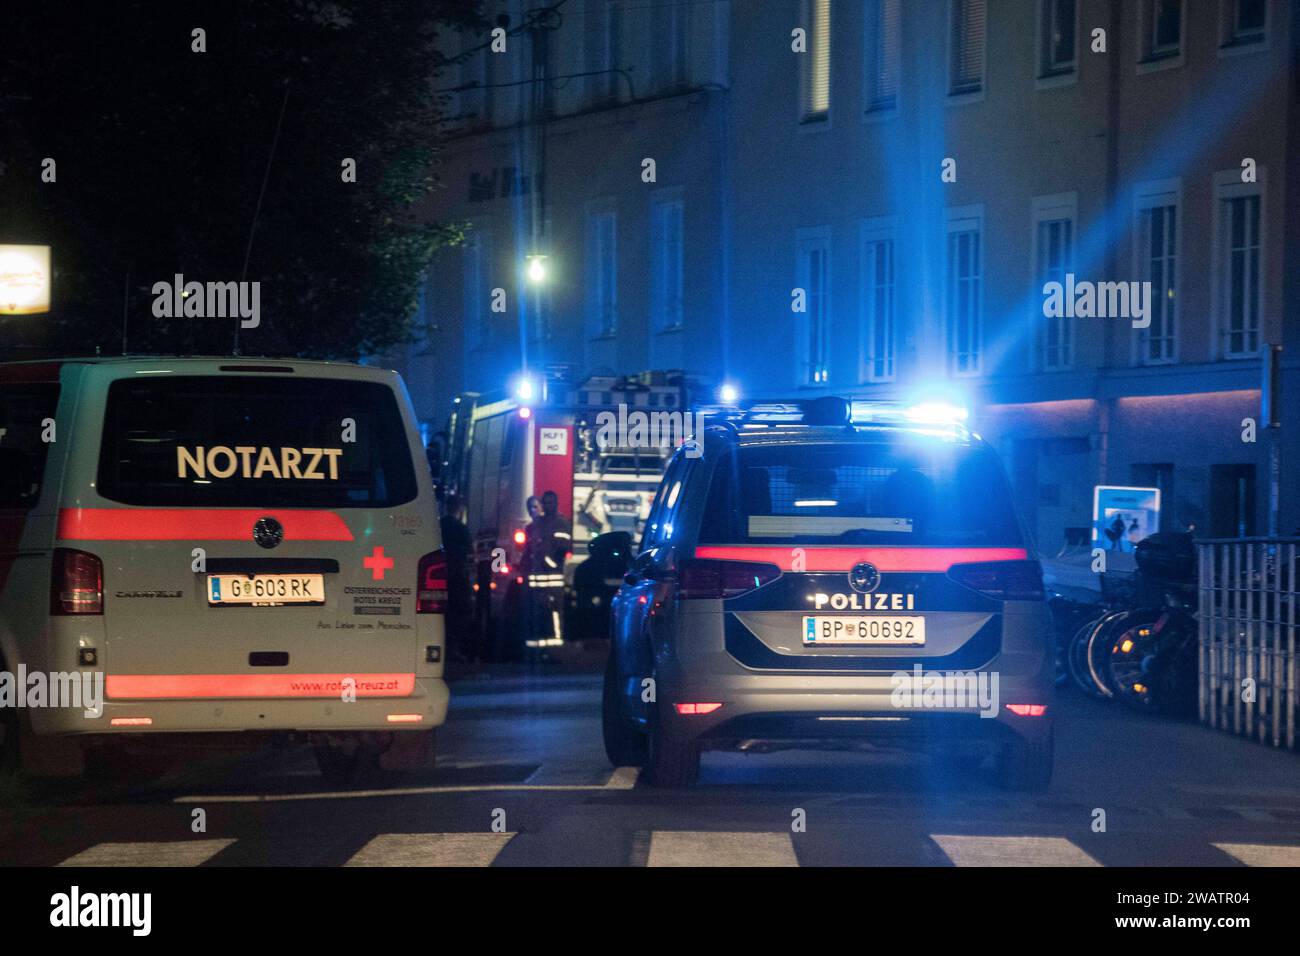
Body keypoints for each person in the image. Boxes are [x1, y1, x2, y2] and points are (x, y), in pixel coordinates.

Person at [439, 494, 474, 660]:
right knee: (462, 610)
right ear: (460, 509)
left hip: (439, 576)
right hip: (457, 575)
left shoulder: (439, 525)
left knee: (443, 613)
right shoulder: (460, 528)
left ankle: (443, 646)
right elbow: (470, 551)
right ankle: (453, 648)